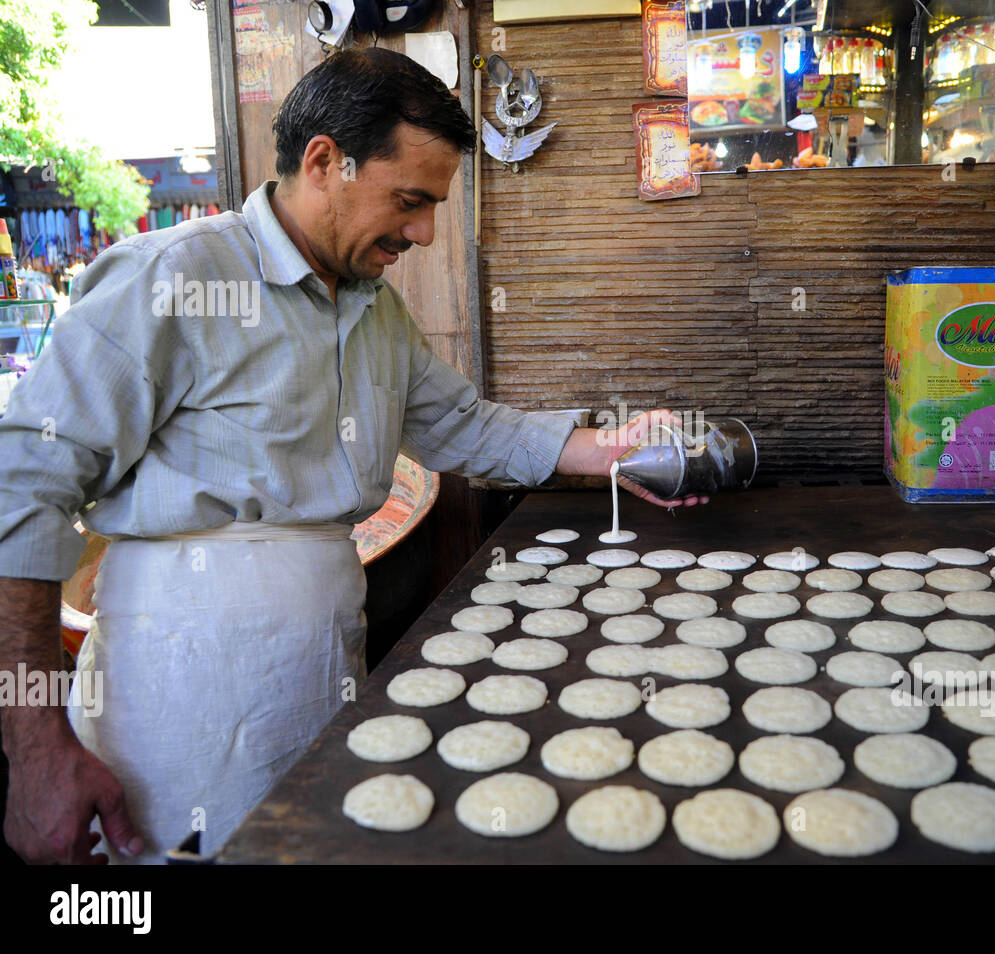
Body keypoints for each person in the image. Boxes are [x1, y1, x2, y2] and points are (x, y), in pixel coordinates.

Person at [0, 47, 705, 865]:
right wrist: (36, 751)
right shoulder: (173, 278)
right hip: (179, 690)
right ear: (325, 161)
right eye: (410, 201)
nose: (424, 232)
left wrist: (613, 451)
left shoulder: (374, 312)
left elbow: (463, 426)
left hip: (321, 666)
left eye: (434, 206)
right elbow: (23, 493)